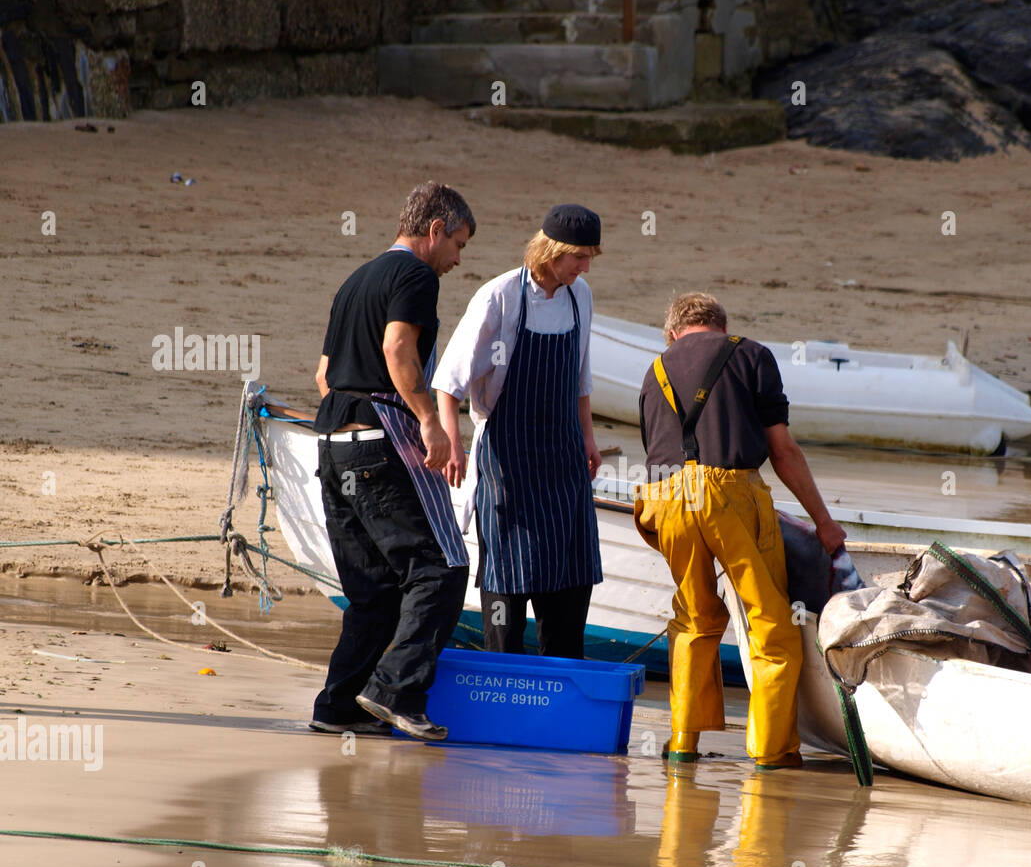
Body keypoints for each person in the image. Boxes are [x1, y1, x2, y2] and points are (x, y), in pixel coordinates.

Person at [633, 292, 847, 770]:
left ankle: (684, 743)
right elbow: (782, 451)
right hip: (728, 493)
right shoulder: (750, 354)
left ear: (673, 333)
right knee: (772, 624)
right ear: (719, 326)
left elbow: (656, 451)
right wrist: (823, 522)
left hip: (664, 497)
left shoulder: (655, 370)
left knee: (693, 619)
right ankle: (771, 753)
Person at [309, 181, 474, 741]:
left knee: (374, 590)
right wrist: (430, 420)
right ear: (434, 230)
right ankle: (394, 692)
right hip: (380, 438)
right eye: (458, 243)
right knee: (443, 569)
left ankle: (337, 706)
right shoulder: (415, 275)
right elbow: (398, 350)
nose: (457, 259)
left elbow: (324, 376)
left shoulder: (355, 280)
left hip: (330, 442)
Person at [433, 204, 603, 659]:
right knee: (506, 588)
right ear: (552, 252)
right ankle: (501, 682)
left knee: (570, 586)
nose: (586, 267)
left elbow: (581, 378)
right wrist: (452, 444)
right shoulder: (500, 297)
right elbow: (449, 384)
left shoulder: (579, 295)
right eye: (581, 257)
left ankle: (560, 693)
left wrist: (587, 437)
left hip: (565, 464)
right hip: (508, 464)